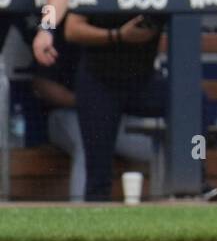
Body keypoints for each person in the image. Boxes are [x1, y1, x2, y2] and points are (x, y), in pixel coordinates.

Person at [63, 0, 205, 202]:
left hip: (141, 81)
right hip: (98, 80)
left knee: (195, 100)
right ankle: (95, 234)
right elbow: (72, 30)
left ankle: (192, 186)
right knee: (98, 171)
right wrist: (118, 36)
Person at [32, 35, 159, 202]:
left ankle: (183, 200)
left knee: (171, 144)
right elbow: (42, 84)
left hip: (122, 118)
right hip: (69, 115)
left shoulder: (130, 35)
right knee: (89, 142)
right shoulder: (67, 36)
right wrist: (92, 102)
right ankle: (81, 215)